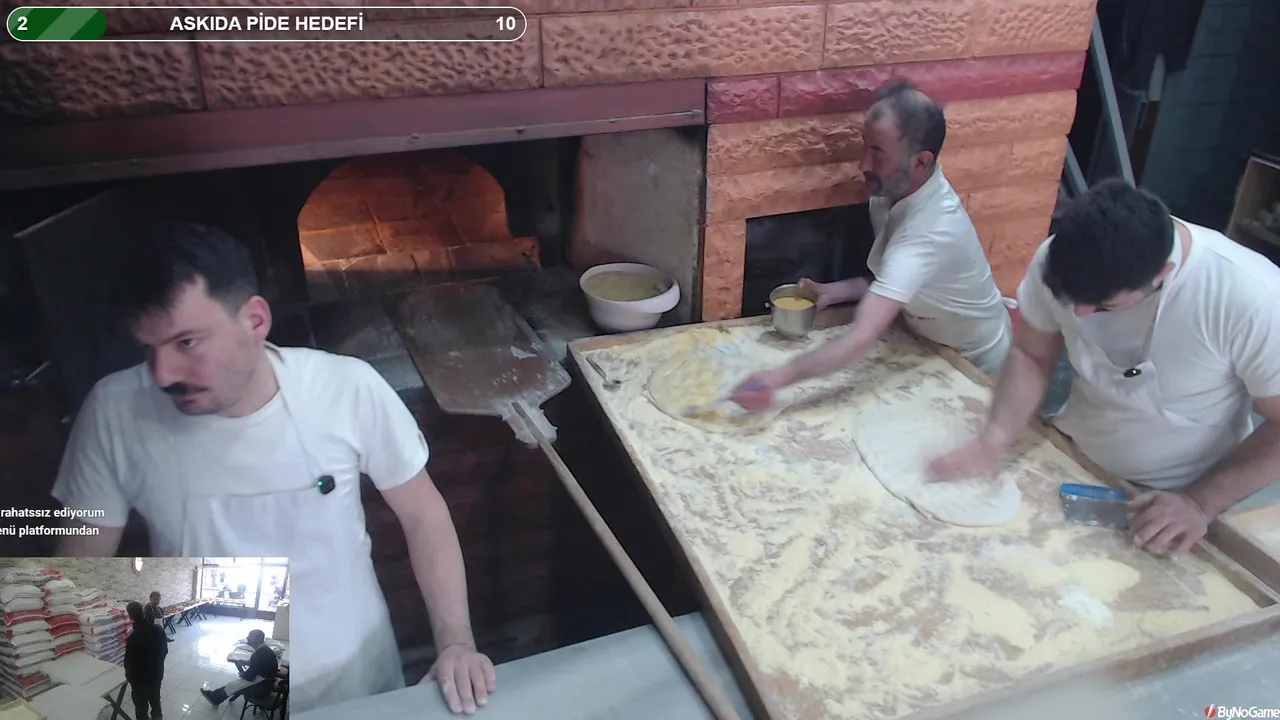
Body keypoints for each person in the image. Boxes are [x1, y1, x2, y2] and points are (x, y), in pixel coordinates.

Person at [50, 223, 496, 715]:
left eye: (187, 343)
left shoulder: (345, 388)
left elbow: (423, 515)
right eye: (148, 349)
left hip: (355, 682)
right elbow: (80, 566)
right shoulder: (114, 412)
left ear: (255, 320)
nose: (163, 374)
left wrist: (456, 643)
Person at [931, 180, 1280, 555]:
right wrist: (994, 438)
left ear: (1162, 273)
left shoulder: (1250, 300)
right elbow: (1032, 355)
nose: (1081, 313)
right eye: (1073, 301)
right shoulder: (1059, 261)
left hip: (1177, 496)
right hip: (1074, 460)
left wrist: (1199, 503)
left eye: (1103, 306)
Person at [732, 79, 1011, 410]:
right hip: (925, 345)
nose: (863, 165)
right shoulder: (890, 192)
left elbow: (860, 337)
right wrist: (836, 292)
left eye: (877, 152)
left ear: (921, 162)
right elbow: (894, 277)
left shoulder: (930, 231)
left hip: (973, 367)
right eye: (865, 146)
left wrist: (777, 378)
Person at [200, 629, 278, 708]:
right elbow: (258, 664)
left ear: (259, 638)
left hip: (260, 689)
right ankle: (214, 697)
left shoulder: (260, 654)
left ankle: (214, 699)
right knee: (233, 685)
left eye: (251, 636)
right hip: (266, 685)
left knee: (233, 686)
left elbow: (249, 676)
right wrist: (246, 662)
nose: (247, 637)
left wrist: (242, 674)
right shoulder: (264, 650)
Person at [123, 600, 168, 720]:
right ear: (144, 613)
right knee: (156, 700)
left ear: (130, 617)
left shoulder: (133, 639)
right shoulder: (159, 630)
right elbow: (165, 651)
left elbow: (129, 663)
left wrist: (130, 678)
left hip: (140, 680)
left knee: (141, 708)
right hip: (156, 674)